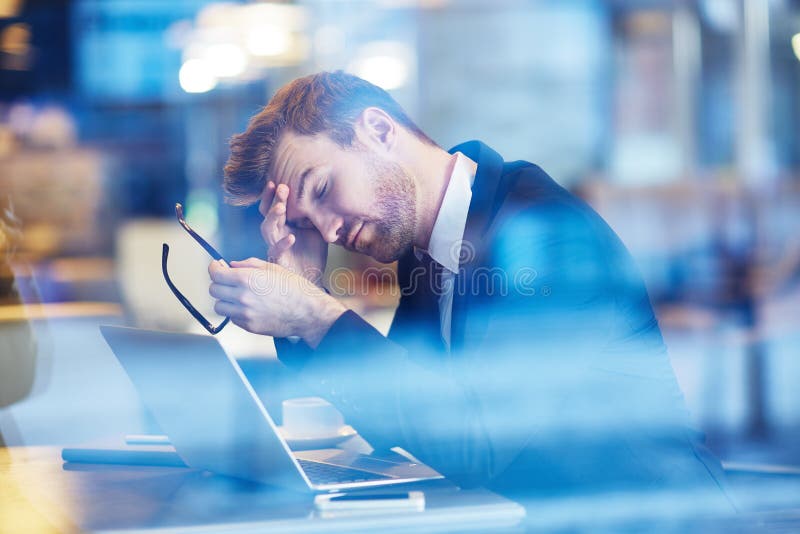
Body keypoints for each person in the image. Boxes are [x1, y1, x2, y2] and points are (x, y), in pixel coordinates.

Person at [208, 71, 731, 504]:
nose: (326, 231)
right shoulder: (427, 244)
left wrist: (314, 315)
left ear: (379, 130)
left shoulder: (542, 230)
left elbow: (475, 438)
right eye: (303, 221)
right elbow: (410, 426)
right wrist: (307, 293)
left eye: (321, 189)